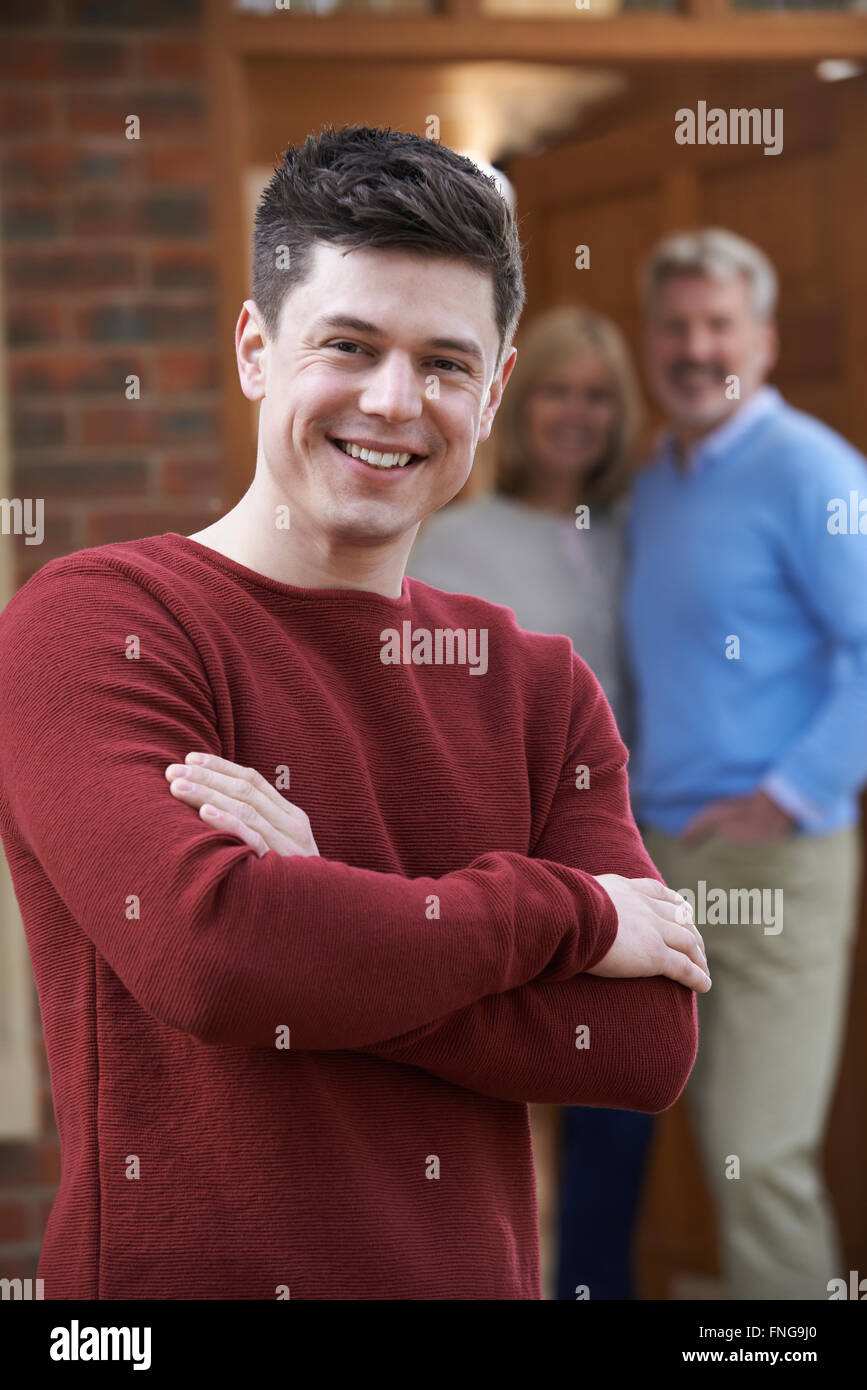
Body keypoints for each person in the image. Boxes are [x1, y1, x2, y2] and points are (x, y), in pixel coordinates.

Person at [0, 126, 708, 1301]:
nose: (394, 401)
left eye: (444, 361)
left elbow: (643, 1046)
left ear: (495, 390)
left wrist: (326, 909)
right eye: (349, 344)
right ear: (255, 349)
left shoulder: (540, 687)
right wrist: (575, 914)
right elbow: (217, 959)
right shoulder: (100, 624)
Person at [624, 226, 867, 1300]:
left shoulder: (812, 468)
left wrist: (789, 792)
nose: (694, 345)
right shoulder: (659, 481)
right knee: (681, 1131)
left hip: (775, 861)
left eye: (718, 323)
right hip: (662, 856)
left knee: (761, 1154)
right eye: (675, 325)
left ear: (762, 341)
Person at [408, 304, 655, 1300]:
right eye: (556, 390)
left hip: (626, 848)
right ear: (518, 403)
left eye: (598, 396)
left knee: (616, 1105)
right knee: (472, 1104)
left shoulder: (635, 534)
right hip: (498, 855)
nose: (576, 414)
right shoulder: (449, 539)